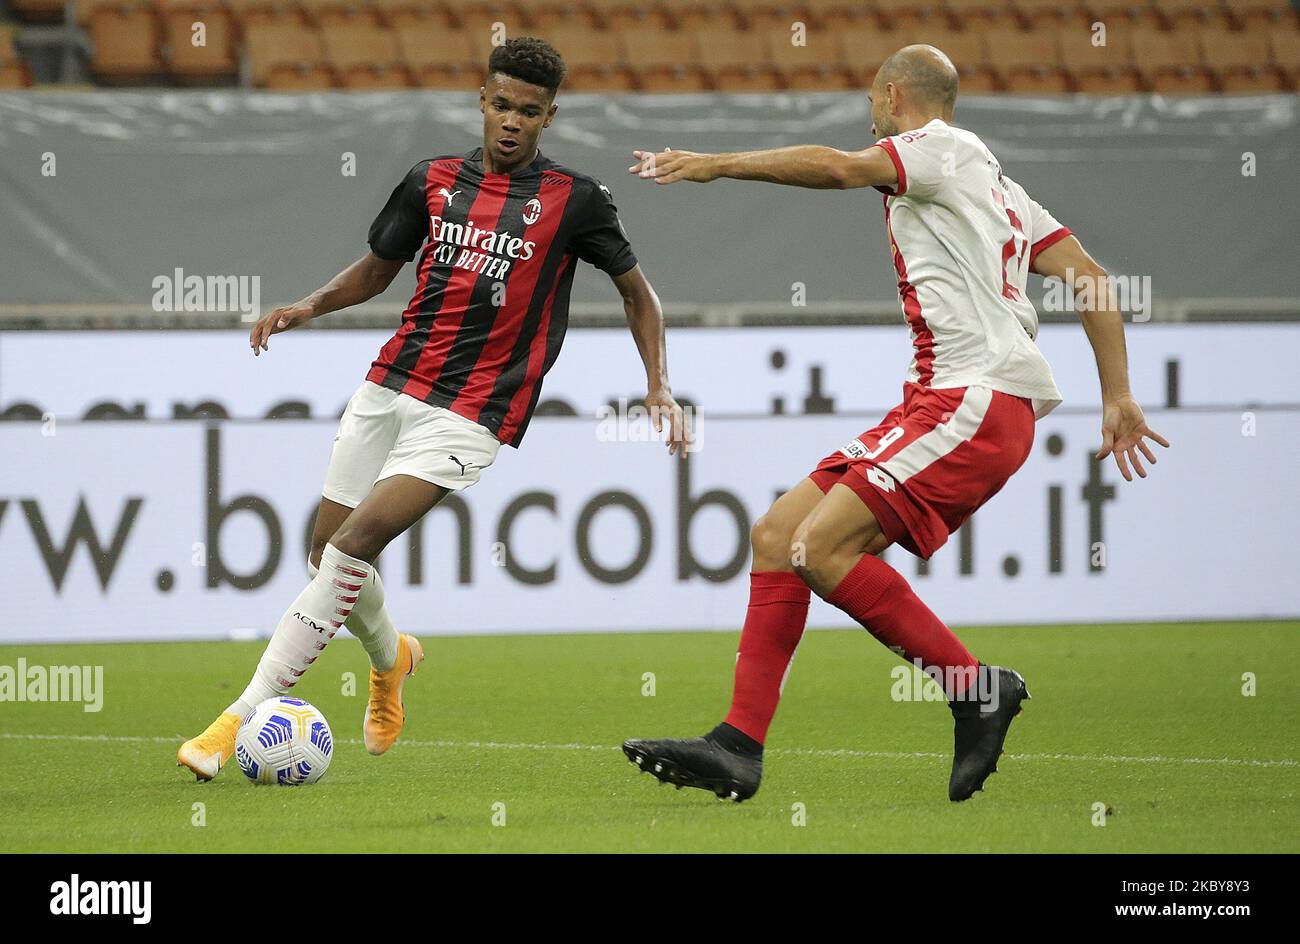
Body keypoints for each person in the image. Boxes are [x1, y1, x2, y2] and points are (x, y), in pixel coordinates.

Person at [622, 45, 1169, 802]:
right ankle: (738, 745)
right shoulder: (1005, 193)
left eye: (873, 103)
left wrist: (717, 164)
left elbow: (841, 170)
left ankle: (974, 687)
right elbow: (1094, 279)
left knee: (819, 547)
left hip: (973, 401)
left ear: (891, 96)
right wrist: (1118, 394)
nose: (870, 117)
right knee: (780, 536)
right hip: (945, 403)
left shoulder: (936, 149)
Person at [178, 36, 686, 781]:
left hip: (474, 409)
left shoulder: (576, 200)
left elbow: (638, 294)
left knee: (352, 546)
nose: (513, 122)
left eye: (531, 112)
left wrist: (658, 383)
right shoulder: (432, 180)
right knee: (324, 554)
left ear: (551, 118)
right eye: (503, 105)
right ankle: (393, 660)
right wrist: (308, 306)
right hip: (391, 384)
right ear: (483, 100)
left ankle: (237, 718)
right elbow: (380, 269)